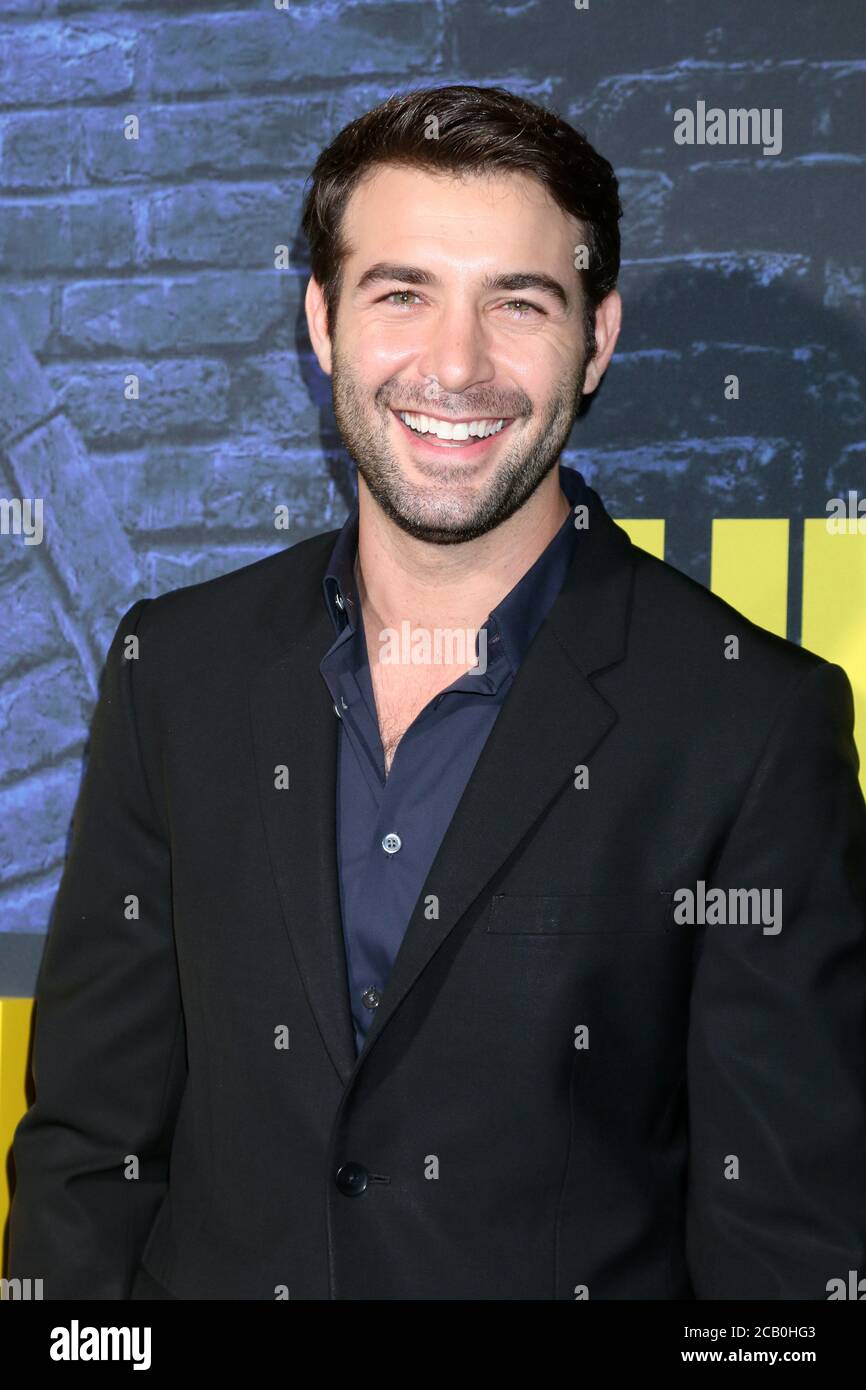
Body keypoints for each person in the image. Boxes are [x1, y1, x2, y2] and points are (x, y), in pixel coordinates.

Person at [8, 85, 866, 1300]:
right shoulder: (177, 671)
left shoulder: (747, 723)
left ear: (597, 338)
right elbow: (89, 1154)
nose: (454, 367)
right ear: (321, 322)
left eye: (516, 303)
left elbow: (785, 1245)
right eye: (401, 293)